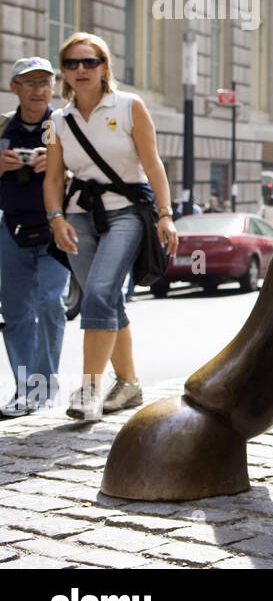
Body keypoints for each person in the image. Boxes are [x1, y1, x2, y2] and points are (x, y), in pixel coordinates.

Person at [44, 33, 179, 421]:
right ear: (64, 72)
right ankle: (129, 383)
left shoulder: (130, 106)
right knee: (104, 299)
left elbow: (153, 165)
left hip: (126, 212)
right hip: (79, 215)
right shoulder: (57, 121)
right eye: (71, 64)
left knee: (100, 292)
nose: (80, 70)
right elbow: (53, 178)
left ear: (105, 67)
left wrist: (166, 214)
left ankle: (88, 390)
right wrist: (56, 219)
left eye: (89, 62)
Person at [0, 58, 69, 418]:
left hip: (56, 229)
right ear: (14, 88)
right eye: (29, 83)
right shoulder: (1, 128)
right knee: (15, 314)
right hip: (11, 230)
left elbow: (90, 175)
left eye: (44, 83)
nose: (38, 90)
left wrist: (62, 169)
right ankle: (25, 390)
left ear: (53, 87)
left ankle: (42, 389)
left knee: (49, 304)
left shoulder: (65, 126)